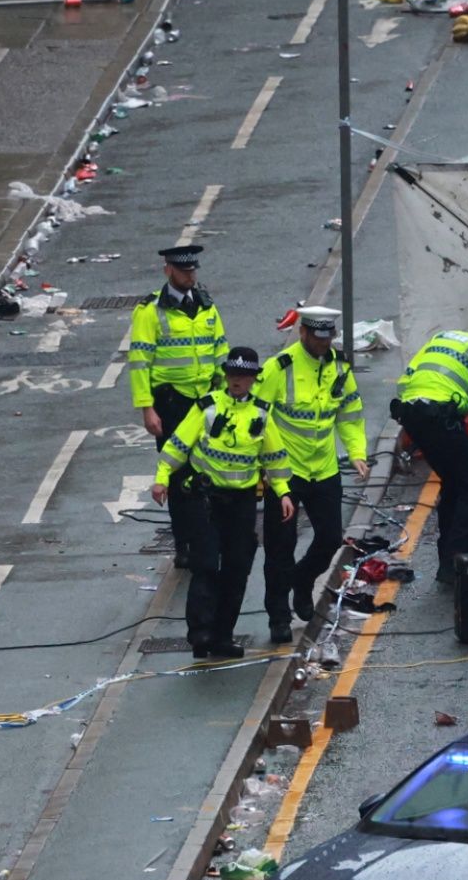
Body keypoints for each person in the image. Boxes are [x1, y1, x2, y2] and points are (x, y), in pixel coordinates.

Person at [152, 347, 292, 660]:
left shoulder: (261, 414)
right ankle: (200, 633)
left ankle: (223, 636)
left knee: (237, 568)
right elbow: (178, 445)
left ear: (254, 379)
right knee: (204, 565)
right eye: (231, 374)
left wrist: (283, 492)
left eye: (243, 375)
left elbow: (275, 459)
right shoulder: (208, 407)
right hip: (206, 500)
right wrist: (162, 477)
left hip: (241, 504)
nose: (236, 380)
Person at [258, 306, 367, 644]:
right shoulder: (279, 368)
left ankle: (302, 582)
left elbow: (349, 414)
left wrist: (358, 453)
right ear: (303, 333)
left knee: (331, 538)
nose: (323, 345)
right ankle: (278, 616)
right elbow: (256, 417)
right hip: (285, 472)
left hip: (324, 468)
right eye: (318, 339)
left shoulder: (338, 368)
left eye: (328, 339)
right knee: (280, 547)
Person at [391, 312, 468, 583]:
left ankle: (448, 562)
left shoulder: (442, 337)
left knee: (454, 483)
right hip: (439, 416)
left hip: (413, 412)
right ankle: (459, 563)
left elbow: (405, 381)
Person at [128, 245, 227, 449]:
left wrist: (227, 394)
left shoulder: (207, 306)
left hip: (206, 397)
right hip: (171, 401)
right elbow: (139, 362)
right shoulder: (150, 311)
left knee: (210, 465)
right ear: (168, 270)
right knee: (175, 468)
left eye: (192, 270)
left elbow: (220, 352)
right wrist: (147, 408)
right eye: (183, 271)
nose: (189, 276)